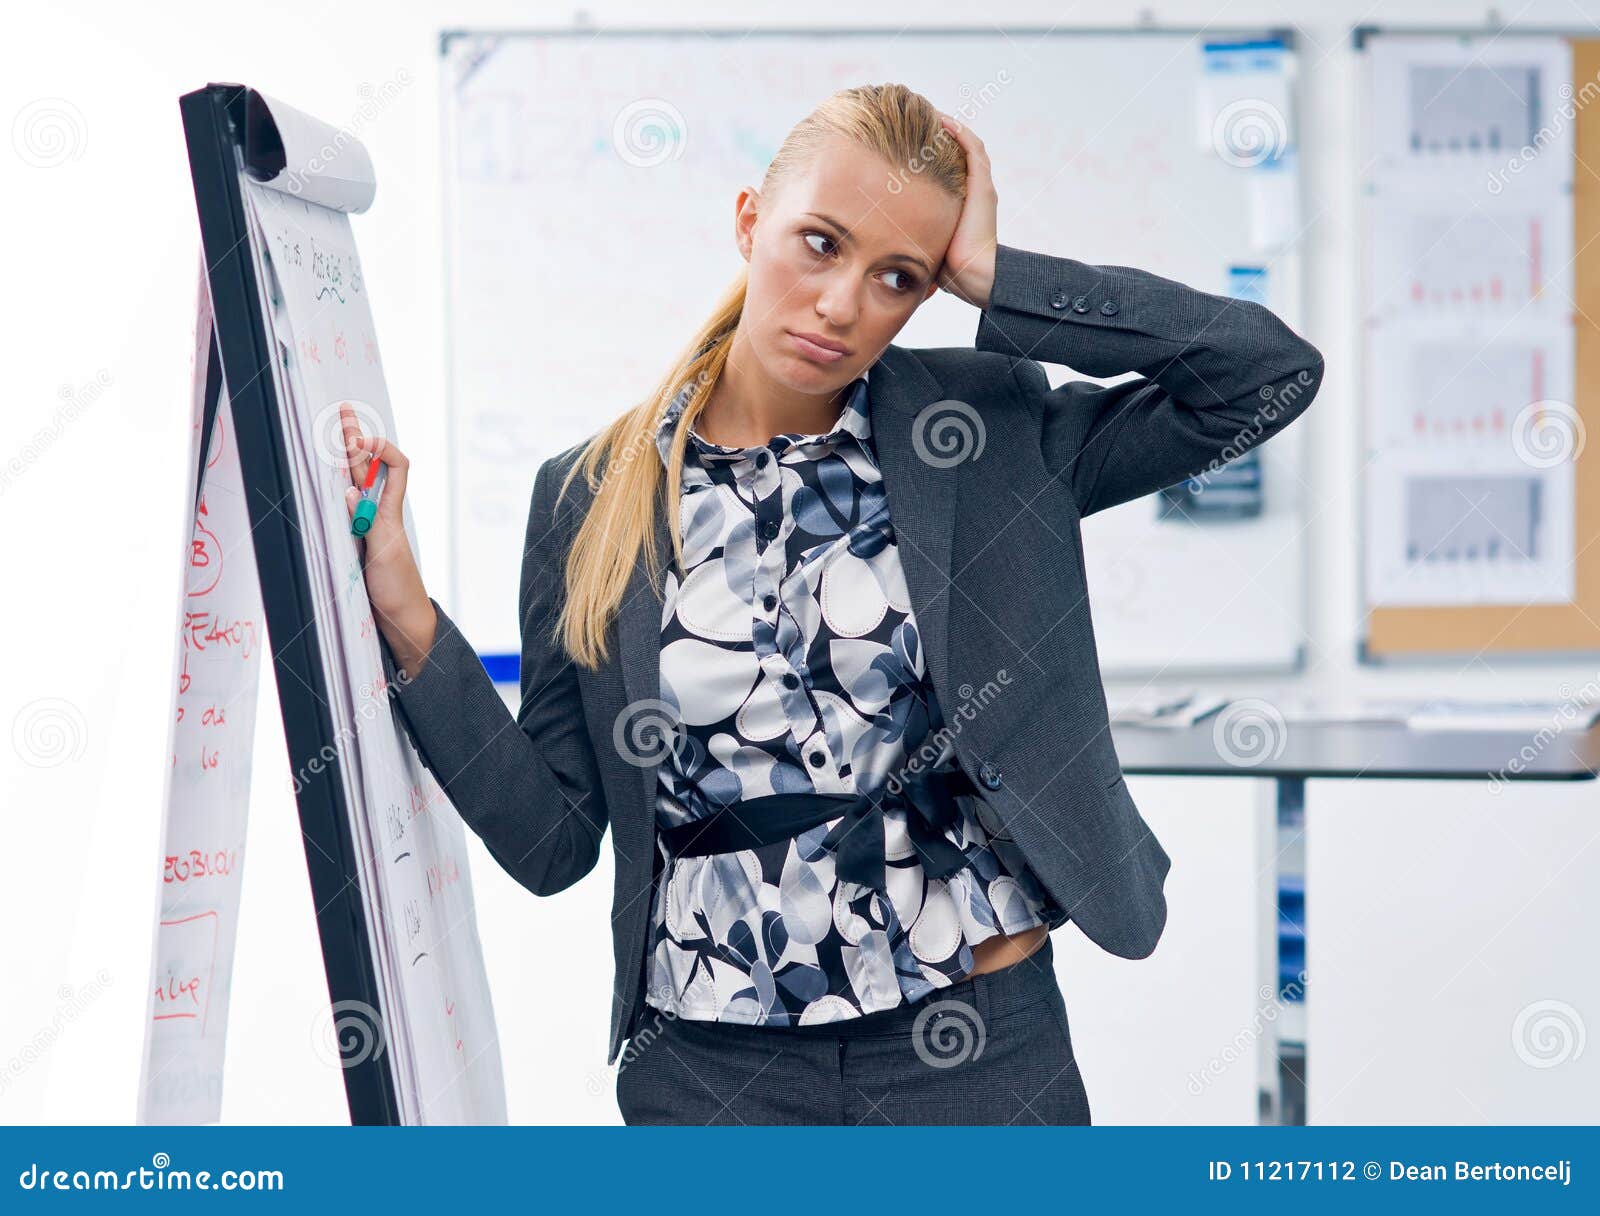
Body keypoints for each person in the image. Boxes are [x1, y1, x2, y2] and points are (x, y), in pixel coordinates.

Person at [343, 82, 1324, 1125]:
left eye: (896, 275)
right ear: (746, 222)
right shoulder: (589, 492)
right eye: (820, 244)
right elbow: (552, 840)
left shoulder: (986, 431)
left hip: (974, 1044)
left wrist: (996, 280)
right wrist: (407, 615)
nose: (845, 304)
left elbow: (1262, 376)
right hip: (714, 1072)